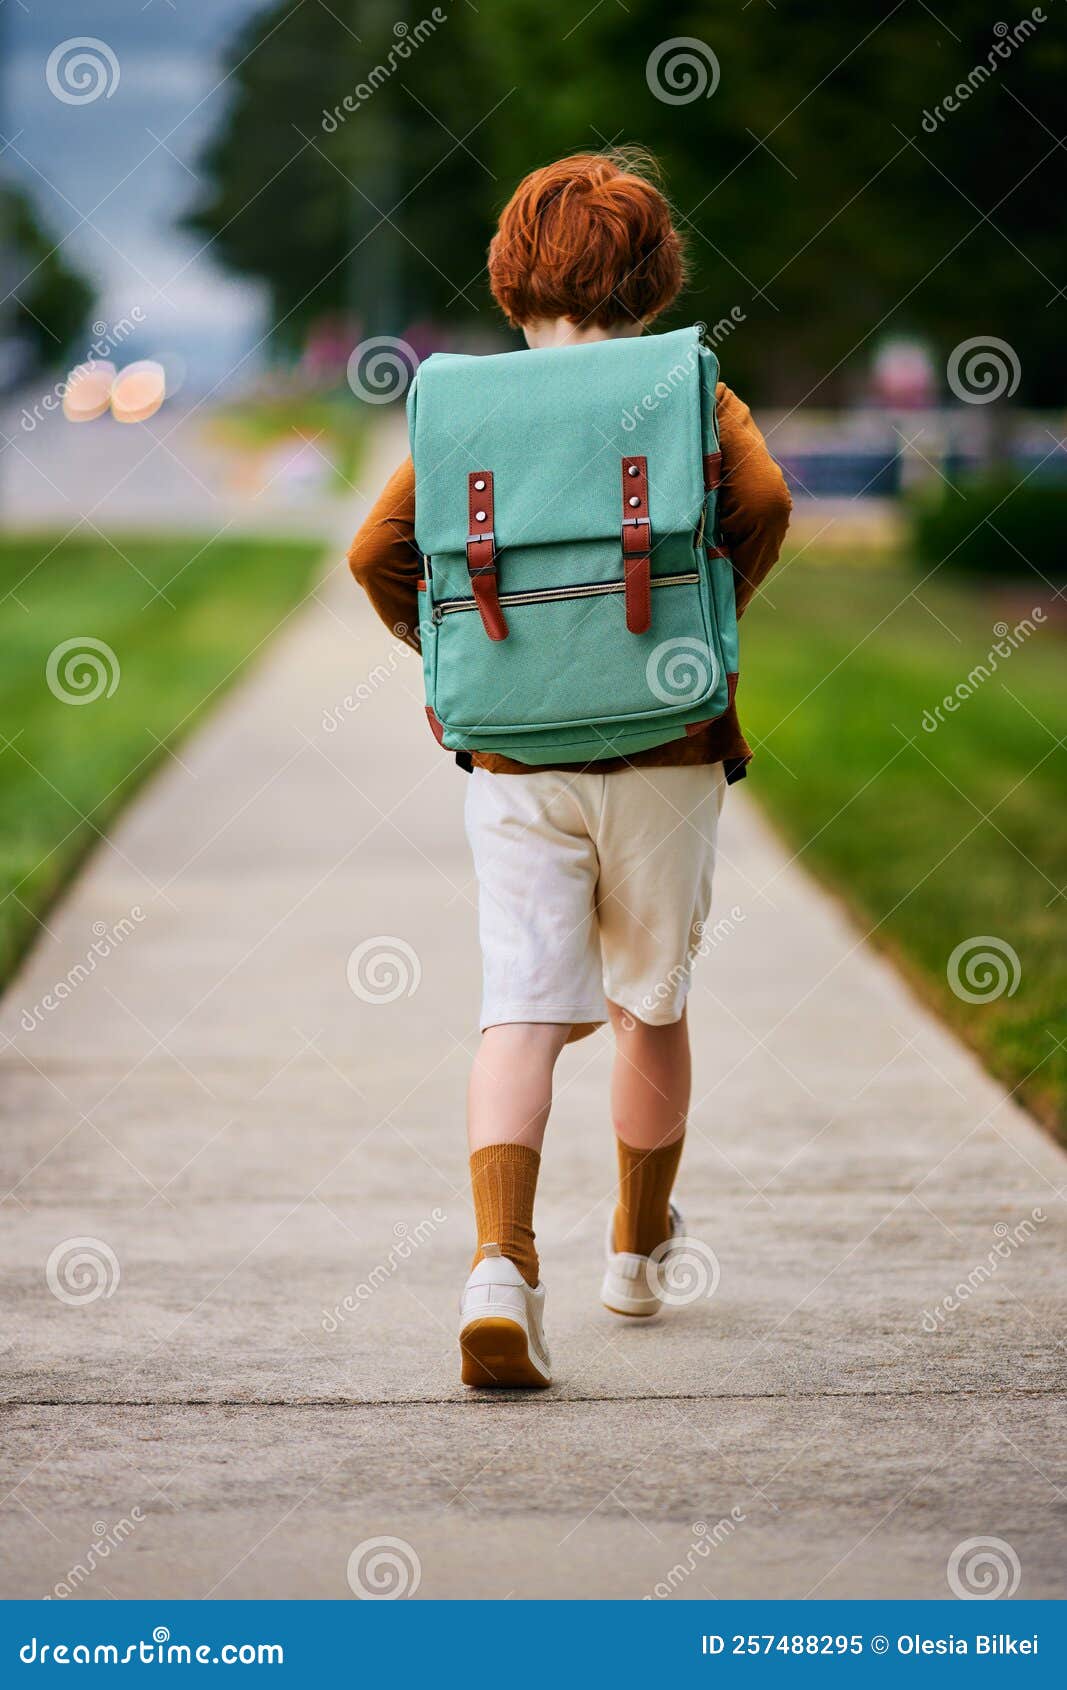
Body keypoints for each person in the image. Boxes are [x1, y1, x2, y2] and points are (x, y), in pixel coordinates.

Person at [348, 149, 791, 1389]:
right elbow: (758, 500)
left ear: (509, 278)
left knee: (519, 1009)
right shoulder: (688, 388)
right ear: (651, 279)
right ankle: (637, 1254)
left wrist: (458, 662)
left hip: (511, 756)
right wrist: (704, 617)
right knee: (649, 998)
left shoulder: (463, 405)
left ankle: (498, 1265)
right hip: (665, 744)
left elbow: (376, 553)